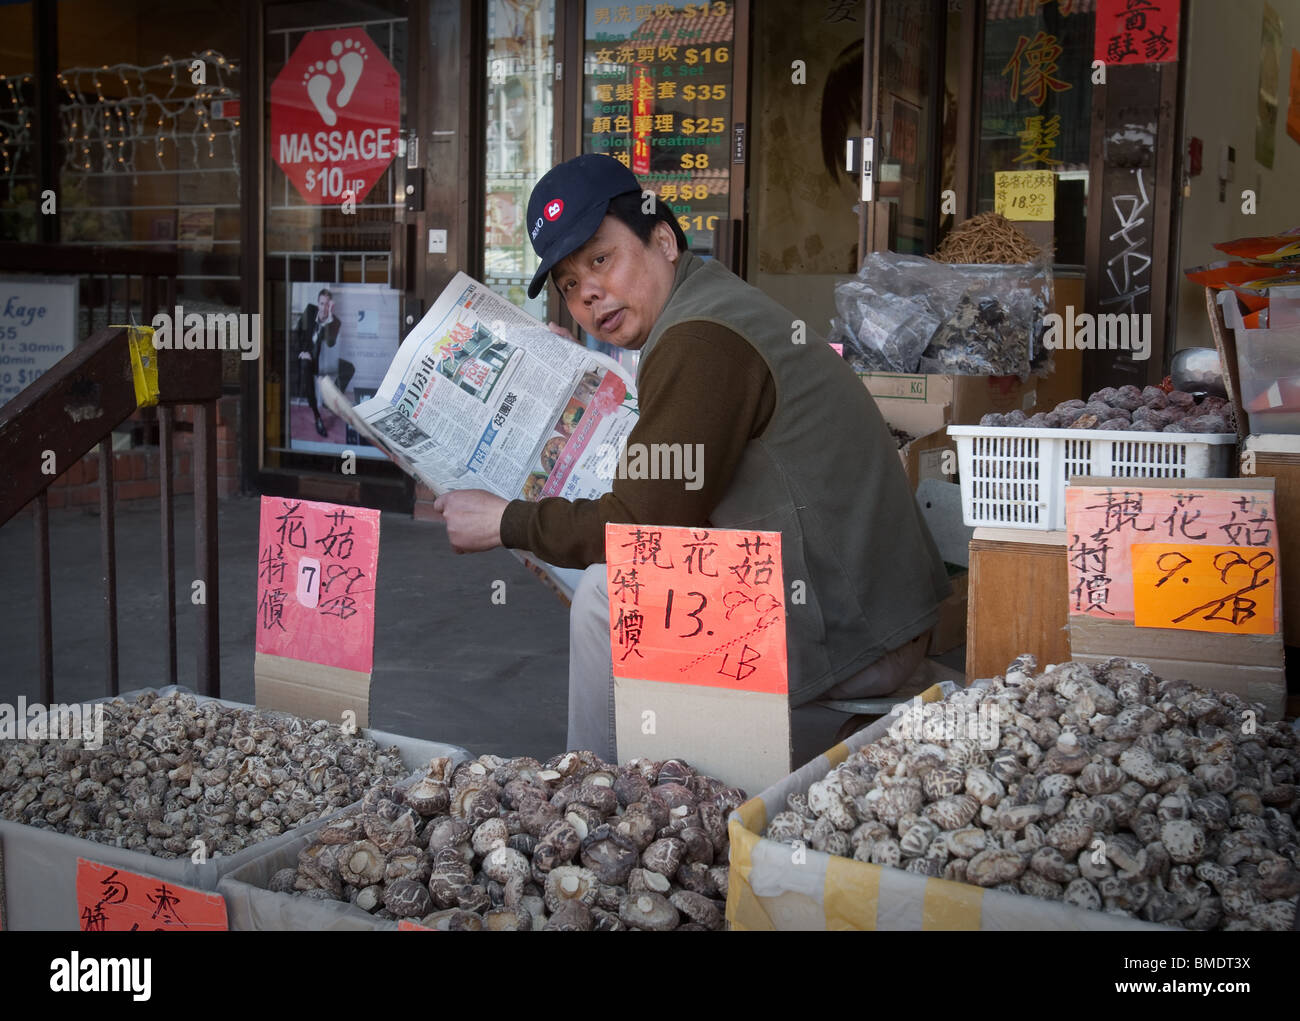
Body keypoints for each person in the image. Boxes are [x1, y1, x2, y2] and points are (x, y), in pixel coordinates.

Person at [434, 153, 950, 762]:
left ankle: (587, 795)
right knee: (602, 563)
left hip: (855, 637)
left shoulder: (700, 339)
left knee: (609, 592)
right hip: (870, 613)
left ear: (662, 239)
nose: (589, 292)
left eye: (601, 259)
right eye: (570, 284)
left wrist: (506, 522)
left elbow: (641, 523)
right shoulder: (707, 308)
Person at [295, 288, 355, 437]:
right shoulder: (309, 311)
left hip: (325, 360)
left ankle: (329, 401)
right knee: (305, 366)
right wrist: (301, 352)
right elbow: (296, 333)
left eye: (327, 305)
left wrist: (329, 318)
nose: (324, 308)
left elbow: (330, 343)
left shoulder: (335, 322)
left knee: (349, 368)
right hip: (308, 360)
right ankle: (317, 416)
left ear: (331, 306)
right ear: (318, 303)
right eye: (322, 304)